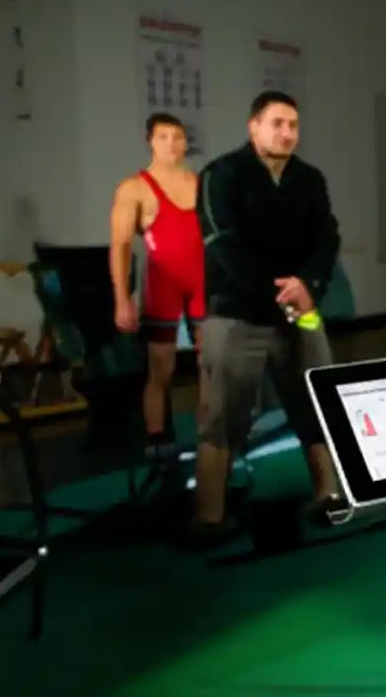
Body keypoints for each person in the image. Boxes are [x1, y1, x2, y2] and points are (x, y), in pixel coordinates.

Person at [192, 91, 343, 541]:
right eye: (277, 123)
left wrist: (309, 286)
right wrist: (278, 292)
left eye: (293, 125)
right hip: (237, 313)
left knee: (317, 403)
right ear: (253, 126)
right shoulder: (222, 175)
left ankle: (329, 496)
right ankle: (210, 517)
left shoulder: (309, 179)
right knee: (222, 418)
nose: (287, 132)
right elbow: (222, 243)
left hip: (301, 311)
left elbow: (327, 237)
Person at [108, 112, 203, 453]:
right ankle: (158, 440)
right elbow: (120, 245)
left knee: (213, 365)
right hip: (162, 288)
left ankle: (213, 435)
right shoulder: (134, 188)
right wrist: (122, 299)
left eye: (177, 137)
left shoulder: (201, 184)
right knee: (161, 368)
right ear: (150, 141)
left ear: (186, 142)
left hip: (202, 284)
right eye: (163, 137)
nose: (171, 144)